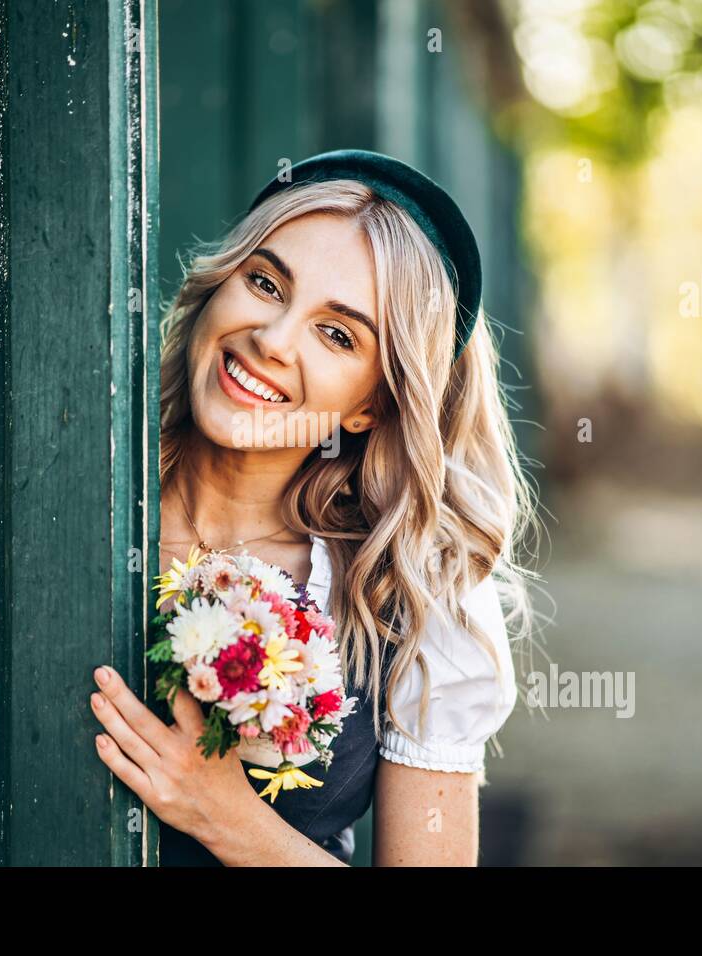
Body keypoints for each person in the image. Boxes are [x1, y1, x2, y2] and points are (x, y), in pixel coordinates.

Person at [88, 149, 538, 866]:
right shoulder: (69, 479)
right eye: (265, 283)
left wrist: (231, 820)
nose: (271, 340)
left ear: (371, 405)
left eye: (337, 334)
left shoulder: (415, 598)